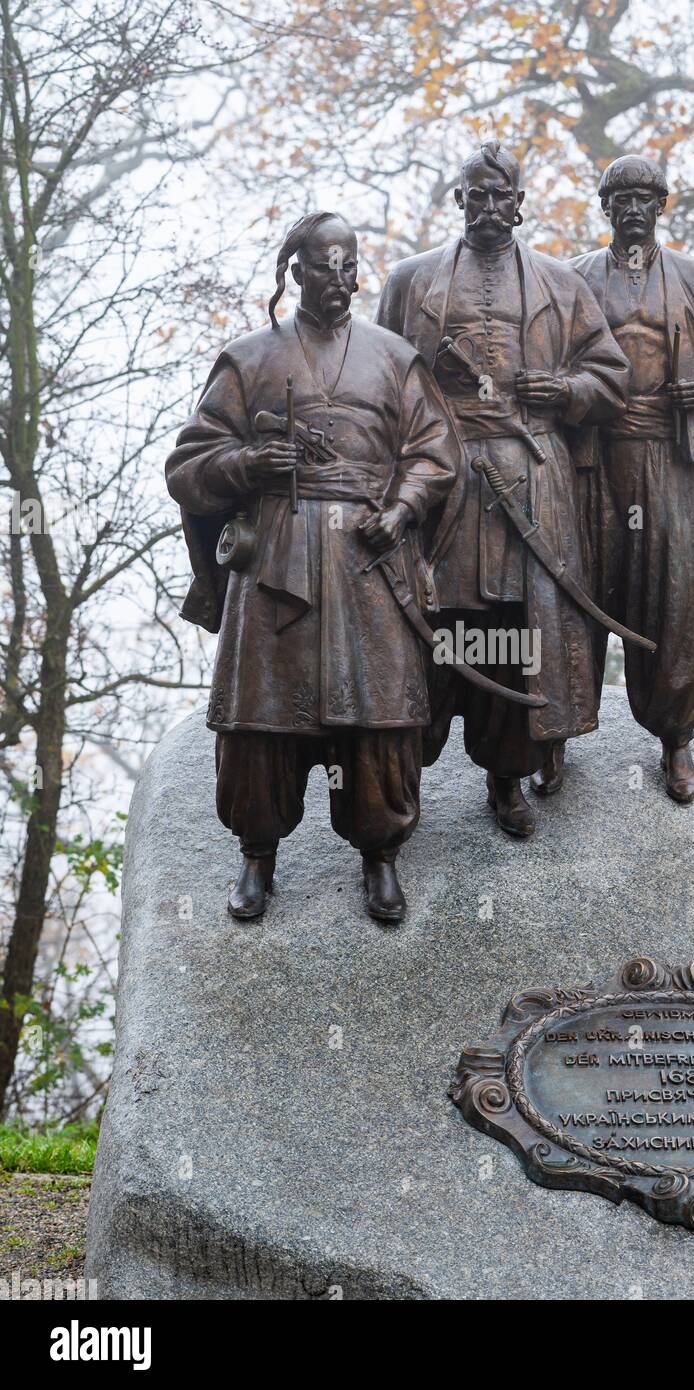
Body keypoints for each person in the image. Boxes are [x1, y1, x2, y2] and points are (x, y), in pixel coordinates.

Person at [166, 212, 460, 923]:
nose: (339, 280)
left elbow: (435, 453)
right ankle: (256, 855)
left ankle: (380, 854)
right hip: (277, 558)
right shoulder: (248, 358)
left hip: (369, 556)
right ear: (294, 271)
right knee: (260, 717)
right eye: (323, 266)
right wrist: (246, 462)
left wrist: (400, 508)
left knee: (381, 713)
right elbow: (187, 468)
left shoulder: (393, 357)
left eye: (349, 266)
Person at [377, 141, 630, 835]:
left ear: (520, 204)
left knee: (518, 630)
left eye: (502, 196)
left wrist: (566, 388)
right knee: (431, 620)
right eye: (475, 195)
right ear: (456, 200)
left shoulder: (559, 284)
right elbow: (377, 381)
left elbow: (611, 379)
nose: (489, 208)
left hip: (530, 470)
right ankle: (404, 775)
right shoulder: (409, 281)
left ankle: (506, 778)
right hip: (441, 473)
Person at [566, 154, 694, 803]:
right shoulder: (573, 281)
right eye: (619, 197)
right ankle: (551, 737)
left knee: (677, 604)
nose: (632, 207)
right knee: (573, 597)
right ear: (605, 209)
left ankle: (676, 741)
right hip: (593, 465)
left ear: (660, 206)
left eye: (643, 197)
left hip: (674, 463)